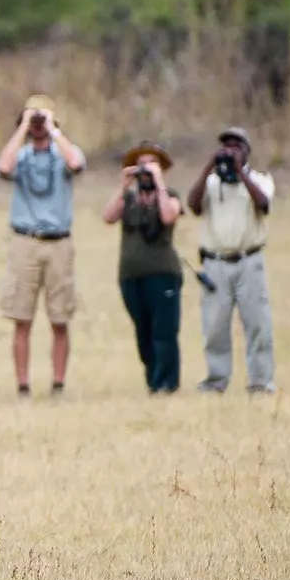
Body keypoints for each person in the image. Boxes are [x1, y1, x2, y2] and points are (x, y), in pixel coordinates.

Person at [0, 93, 86, 398]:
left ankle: (58, 384)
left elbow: (76, 162)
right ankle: (22, 386)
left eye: (42, 119)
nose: (37, 125)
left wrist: (54, 130)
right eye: (33, 120)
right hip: (25, 240)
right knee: (22, 317)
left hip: (59, 241)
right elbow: (3, 168)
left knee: (60, 318)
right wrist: (22, 128)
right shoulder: (20, 155)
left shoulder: (64, 153)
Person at [185, 126, 277, 394]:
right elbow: (193, 205)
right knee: (214, 326)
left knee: (258, 324)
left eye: (237, 146)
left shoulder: (260, 179)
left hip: (249, 259)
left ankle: (260, 382)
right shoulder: (212, 184)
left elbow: (264, 204)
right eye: (225, 146)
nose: (230, 151)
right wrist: (207, 169)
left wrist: (240, 173)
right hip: (216, 262)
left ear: (247, 152)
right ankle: (215, 380)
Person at [104, 142, 185, 393]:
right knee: (144, 332)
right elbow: (108, 216)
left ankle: (167, 384)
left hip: (163, 273)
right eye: (141, 164)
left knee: (164, 331)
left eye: (151, 164)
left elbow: (169, 216)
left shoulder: (170, 196)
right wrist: (124, 185)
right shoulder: (128, 199)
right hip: (131, 275)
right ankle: (153, 380)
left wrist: (158, 183)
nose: (145, 170)